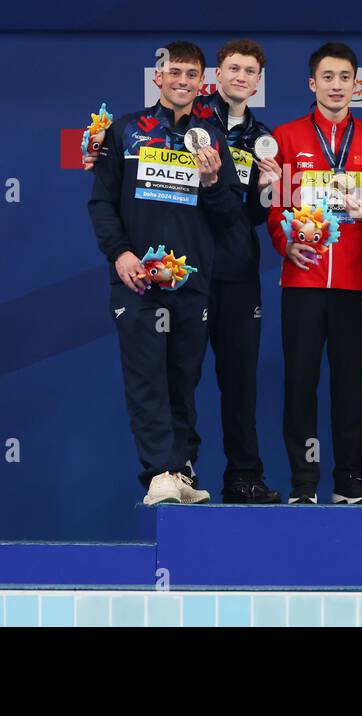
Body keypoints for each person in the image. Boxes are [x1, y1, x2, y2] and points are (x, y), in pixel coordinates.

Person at [87, 41, 242, 506]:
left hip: (190, 282)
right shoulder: (126, 131)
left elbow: (231, 212)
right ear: (158, 77)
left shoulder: (213, 138)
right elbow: (101, 202)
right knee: (146, 378)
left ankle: (179, 469)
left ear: (202, 83)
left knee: (183, 378)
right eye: (174, 72)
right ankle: (158, 472)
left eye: (191, 74)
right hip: (136, 280)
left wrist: (213, 182)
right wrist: (120, 255)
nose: (182, 81)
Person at [267, 42, 362, 504]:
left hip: (355, 280)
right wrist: (284, 242)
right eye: (327, 78)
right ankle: (305, 481)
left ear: (358, 86)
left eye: (345, 78)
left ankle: (349, 480)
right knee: (300, 381)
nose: (336, 87)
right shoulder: (287, 137)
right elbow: (276, 204)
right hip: (303, 281)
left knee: (350, 384)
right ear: (313, 83)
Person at [190, 39, 283, 504]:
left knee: (240, 379)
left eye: (250, 70)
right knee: (181, 374)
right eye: (233, 68)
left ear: (258, 80)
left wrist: (267, 189)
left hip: (238, 270)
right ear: (218, 74)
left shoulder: (263, 138)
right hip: (186, 265)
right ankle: (178, 471)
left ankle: (243, 477)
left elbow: (256, 215)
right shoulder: (189, 121)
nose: (242, 76)